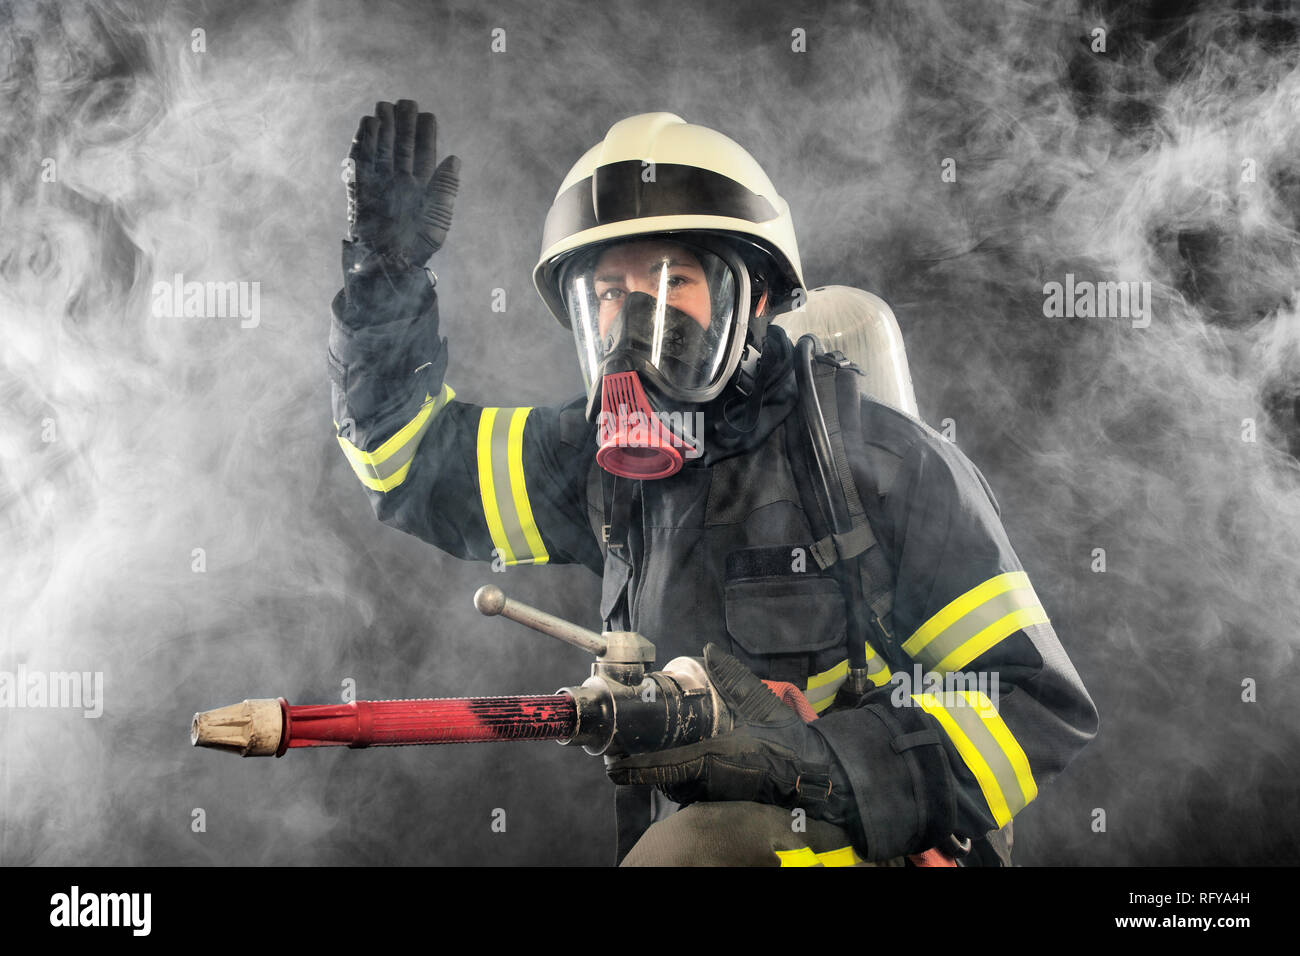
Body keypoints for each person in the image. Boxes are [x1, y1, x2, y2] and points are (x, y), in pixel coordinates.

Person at [327, 99, 1099, 866]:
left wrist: (823, 763)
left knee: (694, 852)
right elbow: (406, 463)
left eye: (673, 281)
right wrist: (384, 282)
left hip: (866, 849)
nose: (632, 323)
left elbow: (1032, 701)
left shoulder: (884, 466)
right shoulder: (602, 464)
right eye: (607, 292)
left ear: (752, 297)